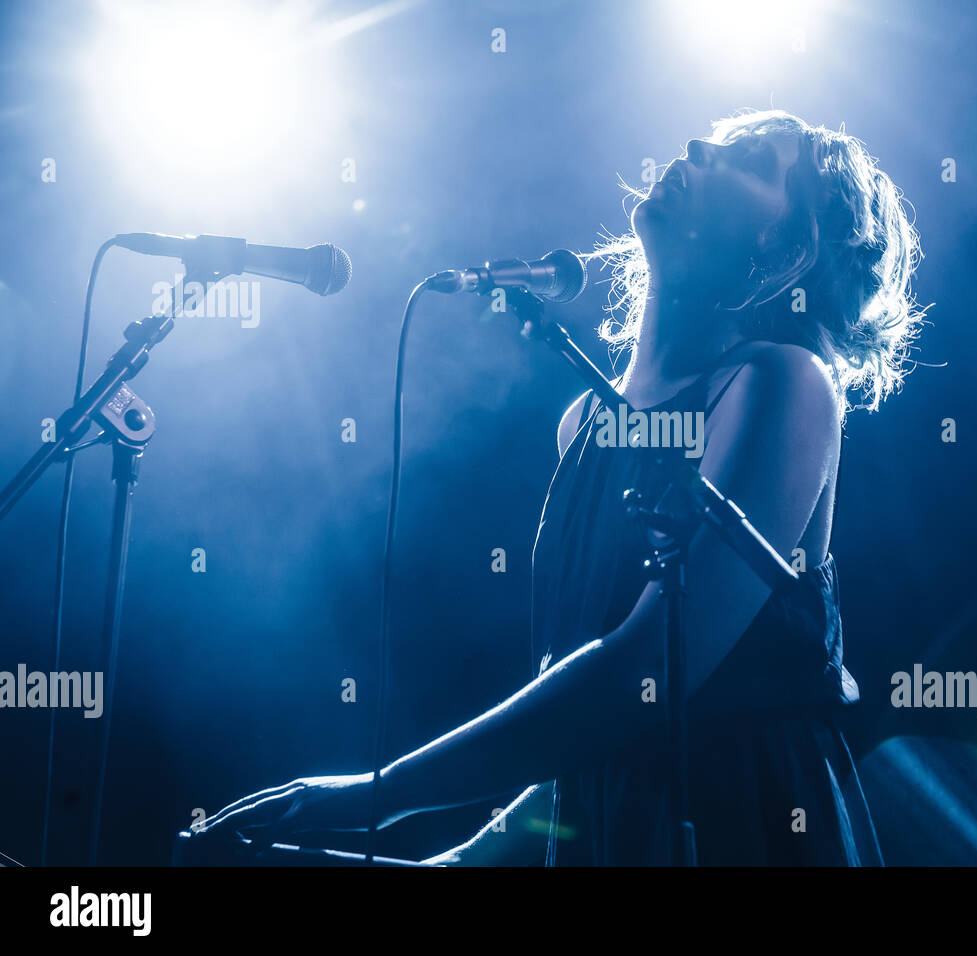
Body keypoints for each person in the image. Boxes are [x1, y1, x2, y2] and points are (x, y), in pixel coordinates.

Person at [199, 109, 925, 865]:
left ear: (787, 245)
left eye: (747, 160)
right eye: (714, 138)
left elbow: (639, 672)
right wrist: (450, 862)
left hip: (749, 824)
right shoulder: (585, 422)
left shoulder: (782, 382)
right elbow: (590, 737)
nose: (698, 147)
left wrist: (375, 795)